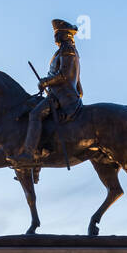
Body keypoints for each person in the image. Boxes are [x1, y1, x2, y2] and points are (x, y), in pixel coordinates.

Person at [12, 18, 83, 166]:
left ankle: (29, 154)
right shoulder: (65, 50)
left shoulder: (67, 50)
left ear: (65, 35)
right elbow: (78, 83)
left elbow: (64, 75)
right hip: (59, 94)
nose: (55, 37)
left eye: (57, 33)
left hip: (63, 96)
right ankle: (39, 158)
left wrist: (46, 81)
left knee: (35, 114)